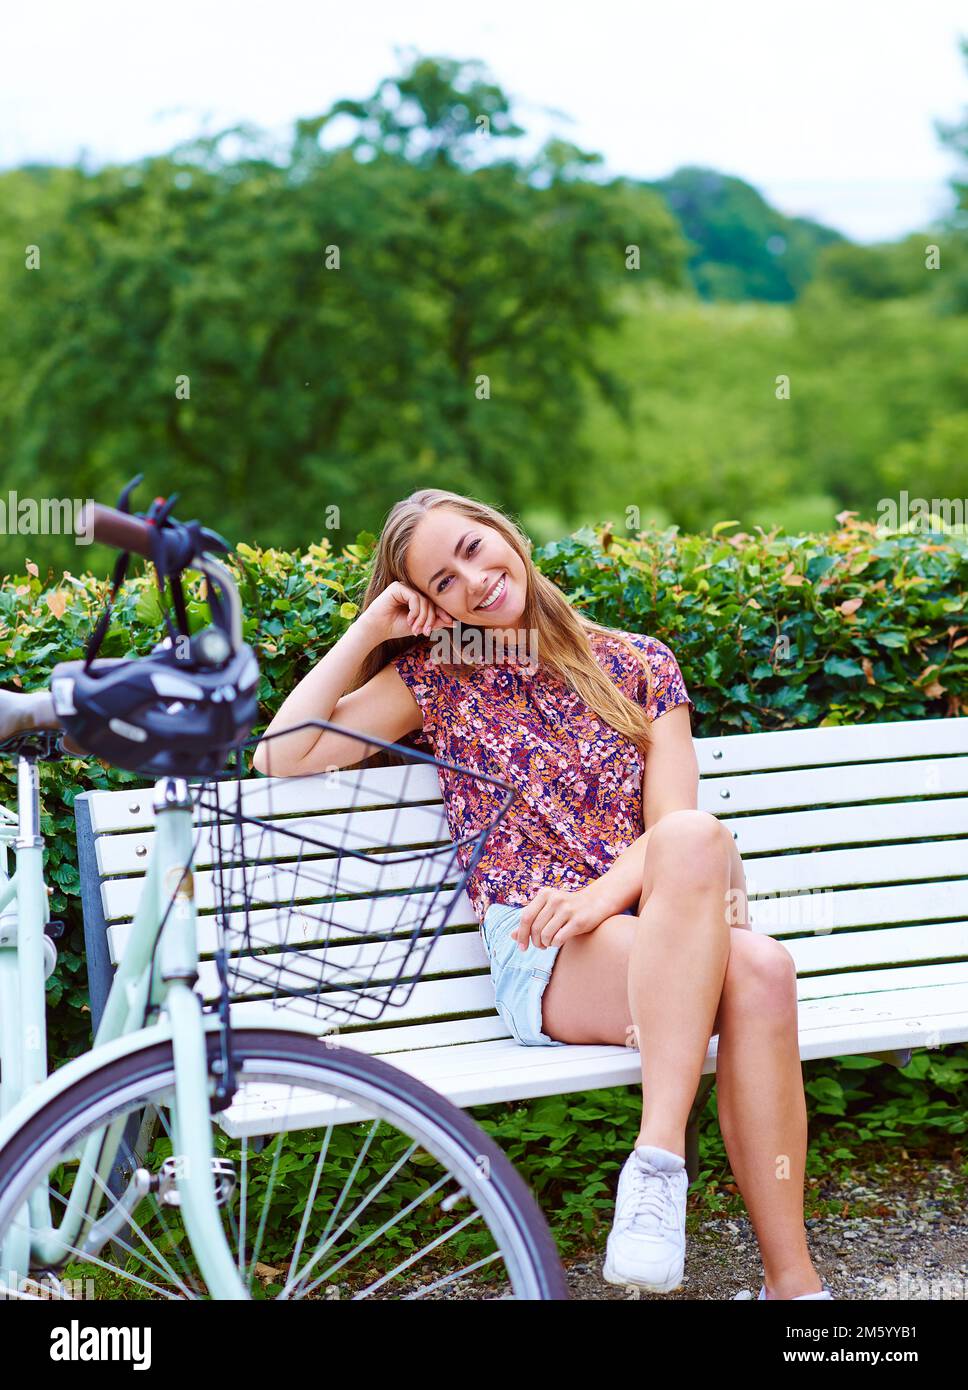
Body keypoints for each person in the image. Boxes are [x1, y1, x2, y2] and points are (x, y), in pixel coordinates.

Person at [252, 487, 832, 1302]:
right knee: (748, 951)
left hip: (647, 926)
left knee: (747, 936)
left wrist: (597, 899)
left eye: (472, 548)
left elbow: (675, 830)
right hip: (541, 953)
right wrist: (372, 630)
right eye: (442, 582)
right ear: (430, 606)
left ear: (503, 533)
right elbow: (280, 758)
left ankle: (792, 1287)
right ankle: (662, 1168)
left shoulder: (638, 664)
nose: (473, 580)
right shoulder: (437, 677)